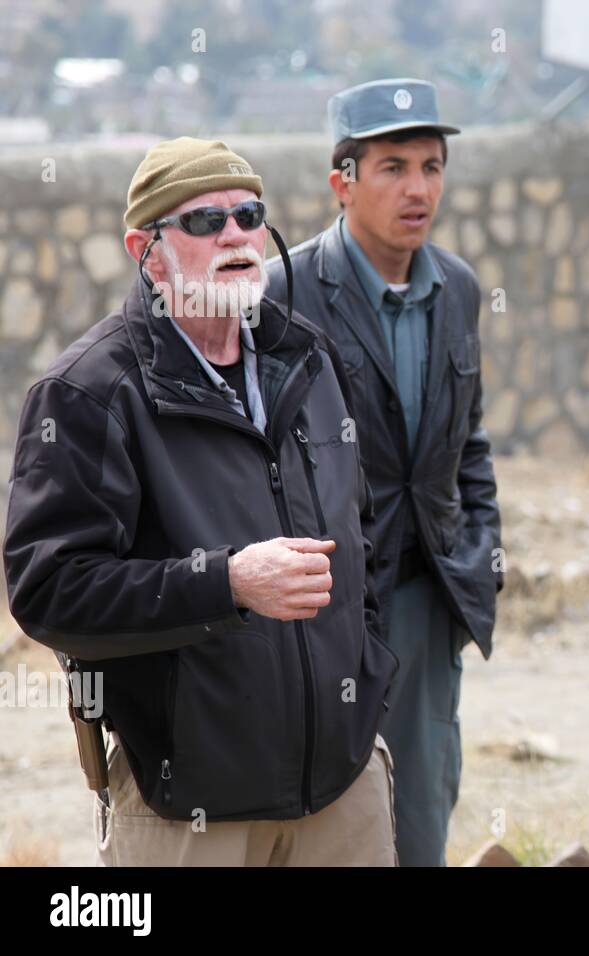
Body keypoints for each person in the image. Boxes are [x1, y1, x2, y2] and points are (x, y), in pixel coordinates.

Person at [3, 137, 399, 866]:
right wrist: (227, 583)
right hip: (189, 808)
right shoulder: (87, 393)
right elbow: (50, 593)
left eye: (248, 214)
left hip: (345, 793)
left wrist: (366, 683)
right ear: (146, 252)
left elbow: (363, 538)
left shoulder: (310, 361)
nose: (235, 236)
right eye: (202, 222)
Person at [265, 78, 502, 866]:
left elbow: (469, 444)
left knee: (422, 809)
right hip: (327, 600)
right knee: (331, 808)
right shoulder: (285, 295)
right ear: (343, 181)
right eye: (394, 166)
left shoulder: (458, 288)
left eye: (432, 167)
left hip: (429, 592)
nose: (418, 188)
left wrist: (479, 559)